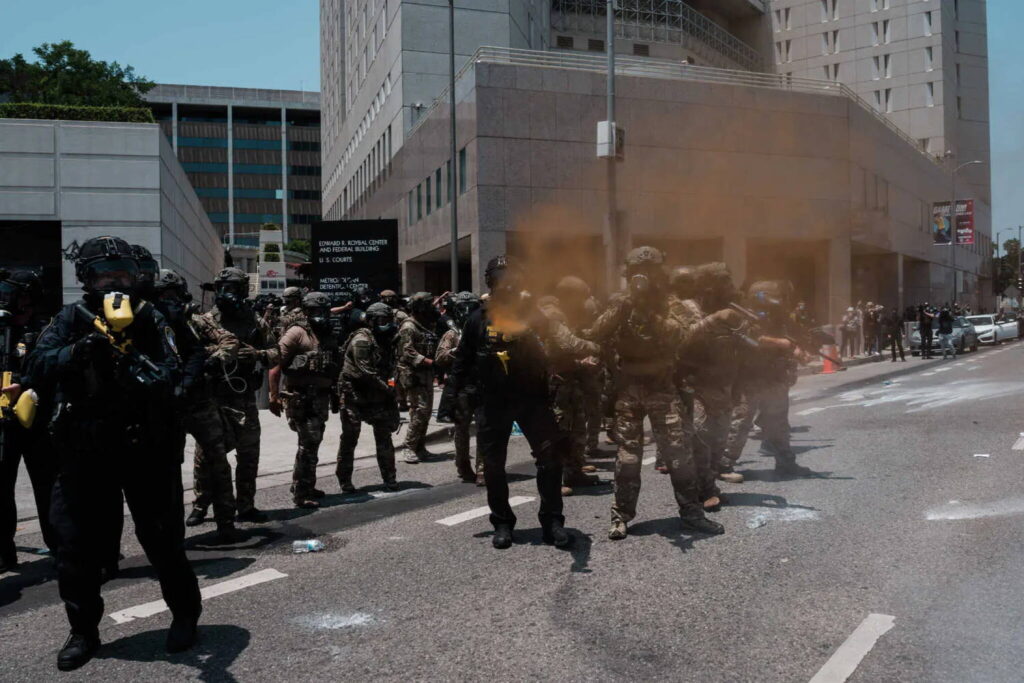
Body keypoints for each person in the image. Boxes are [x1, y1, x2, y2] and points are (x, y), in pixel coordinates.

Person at [24, 236, 201, 670]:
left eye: (121, 275)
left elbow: (186, 361)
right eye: (105, 275)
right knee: (76, 548)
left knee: (163, 541)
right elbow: (37, 366)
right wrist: (77, 351)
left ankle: (185, 616)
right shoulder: (70, 318)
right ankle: (83, 630)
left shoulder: (152, 317)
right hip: (84, 450)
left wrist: (172, 385)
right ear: (88, 279)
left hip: (146, 449)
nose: (114, 283)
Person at [585, 247, 725, 541]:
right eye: (639, 272)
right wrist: (625, 308)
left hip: (662, 388)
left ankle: (692, 514)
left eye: (650, 272)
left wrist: (651, 314)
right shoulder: (622, 304)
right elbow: (596, 333)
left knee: (679, 455)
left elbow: (685, 338)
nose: (644, 278)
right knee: (628, 458)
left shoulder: (672, 304)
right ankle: (621, 516)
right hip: (629, 390)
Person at [450, 255, 572, 550]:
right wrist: (453, 400)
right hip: (493, 403)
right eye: (501, 279)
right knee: (493, 468)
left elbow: (558, 347)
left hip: (533, 401)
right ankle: (502, 522)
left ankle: (552, 521)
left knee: (550, 461)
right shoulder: (477, 319)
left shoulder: (534, 315)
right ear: (491, 282)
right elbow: (462, 361)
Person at [152, 270, 241, 542]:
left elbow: (230, 341)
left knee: (217, 462)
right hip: (166, 405)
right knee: (164, 469)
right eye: (163, 295)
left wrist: (213, 359)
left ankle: (226, 522)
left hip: (200, 400)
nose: (169, 300)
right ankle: (170, 529)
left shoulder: (196, 321)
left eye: (173, 294)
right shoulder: (147, 323)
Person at [186, 267, 279, 527]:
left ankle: (246, 505)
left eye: (235, 288)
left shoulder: (255, 320)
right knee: (206, 456)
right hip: (213, 396)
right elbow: (190, 353)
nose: (229, 293)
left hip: (244, 397)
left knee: (249, 454)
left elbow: (276, 352)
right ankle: (201, 504)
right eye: (224, 288)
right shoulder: (204, 321)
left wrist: (258, 355)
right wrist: (220, 352)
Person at [0, 269, 58, 572]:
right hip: (3, 421)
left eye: (16, 295)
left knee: (49, 486)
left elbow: (58, 370)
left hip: (38, 421)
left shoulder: (48, 330)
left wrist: (27, 384)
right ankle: (3, 552)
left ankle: (60, 545)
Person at [728, 280, 814, 477]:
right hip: (751, 376)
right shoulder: (745, 315)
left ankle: (785, 462)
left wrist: (798, 351)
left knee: (778, 421)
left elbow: (788, 341)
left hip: (774, 376)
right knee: (741, 421)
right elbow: (751, 339)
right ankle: (724, 464)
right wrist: (785, 344)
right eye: (777, 296)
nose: (781, 300)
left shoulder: (777, 317)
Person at [269, 292, 342, 509]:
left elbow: (333, 366)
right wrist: (273, 397)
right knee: (308, 445)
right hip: (300, 398)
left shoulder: (327, 333)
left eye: (322, 311)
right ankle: (301, 493)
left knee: (312, 443)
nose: (318, 315)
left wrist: (336, 395)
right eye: (313, 311)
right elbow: (275, 365)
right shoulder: (297, 333)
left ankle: (305, 484)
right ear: (306, 312)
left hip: (321, 397)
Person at [337, 302, 401, 492]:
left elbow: (391, 367)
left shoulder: (388, 338)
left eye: (388, 320)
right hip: (354, 394)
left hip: (377, 394)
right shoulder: (362, 340)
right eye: (382, 320)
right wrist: (388, 389)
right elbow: (367, 373)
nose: (386, 324)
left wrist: (392, 387)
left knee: (384, 436)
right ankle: (345, 480)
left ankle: (390, 478)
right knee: (350, 437)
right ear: (371, 321)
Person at [434, 291, 483, 483]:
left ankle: (482, 470)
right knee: (461, 430)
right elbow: (440, 357)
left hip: (480, 384)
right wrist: (459, 349)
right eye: (463, 308)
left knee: (483, 428)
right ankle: (463, 466)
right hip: (461, 387)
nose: (467, 312)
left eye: (471, 307)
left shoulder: (484, 328)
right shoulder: (452, 333)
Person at [397, 292, 439, 464]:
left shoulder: (424, 324)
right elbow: (406, 352)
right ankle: (409, 447)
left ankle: (420, 447)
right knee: (419, 410)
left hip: (426, 373)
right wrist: (428, 361)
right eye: (429, 305)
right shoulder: (409, 326)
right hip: (413, 374)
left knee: (426, 411)